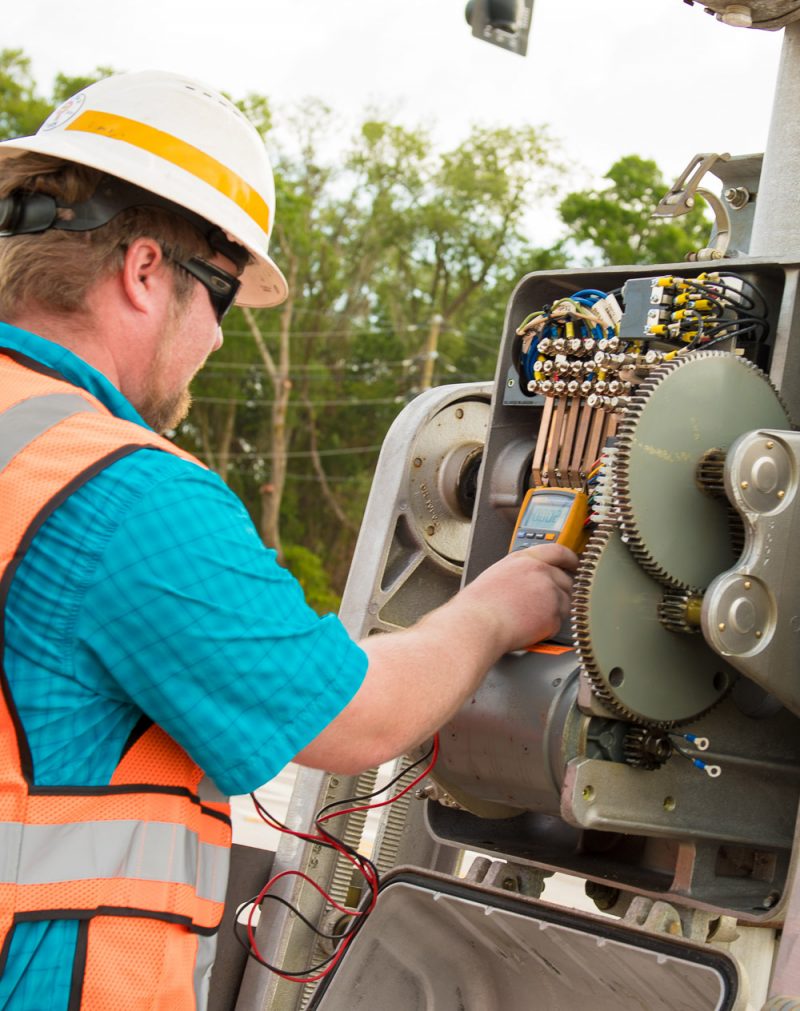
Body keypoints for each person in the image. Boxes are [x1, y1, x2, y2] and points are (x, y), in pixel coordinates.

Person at [0, 71, 577, 1010]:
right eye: (222, 296)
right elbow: (356, 719)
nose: (221, 340)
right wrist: (499, 609)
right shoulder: (118, 491)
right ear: (146, 269)